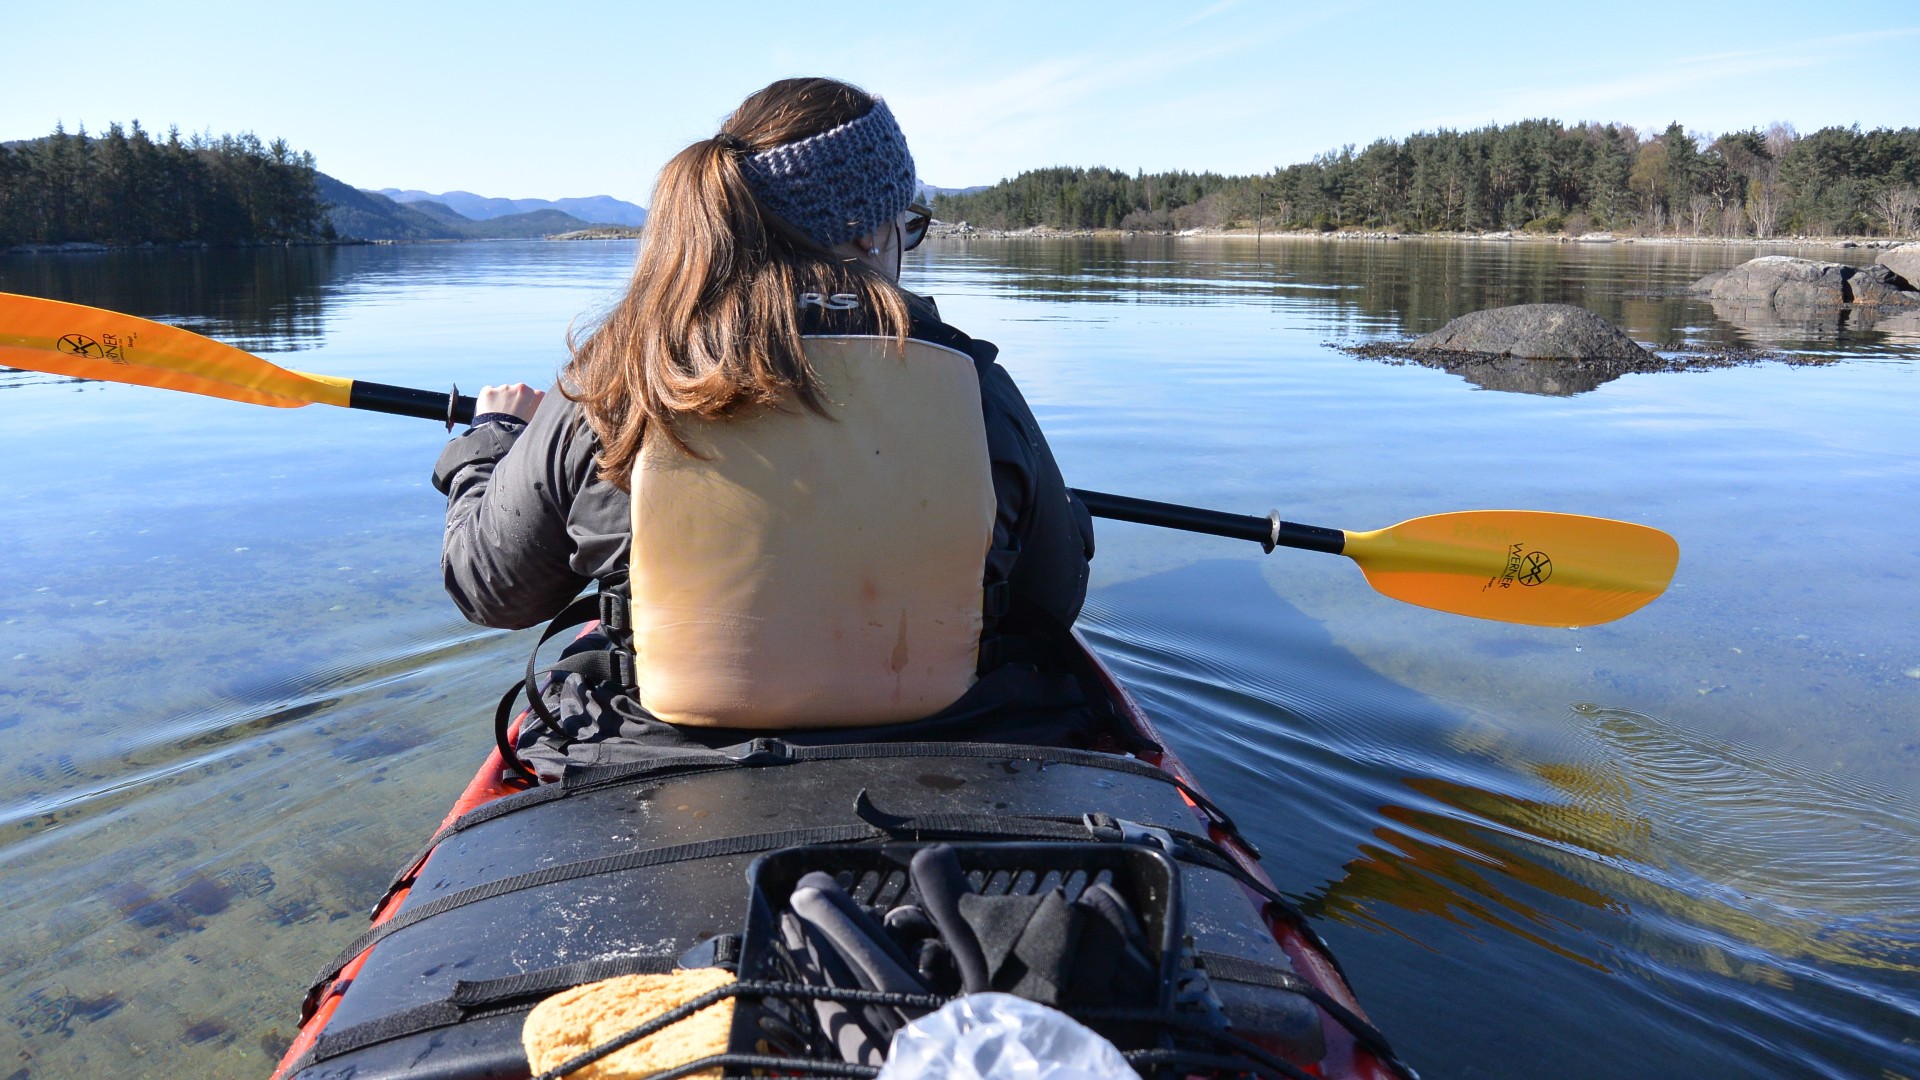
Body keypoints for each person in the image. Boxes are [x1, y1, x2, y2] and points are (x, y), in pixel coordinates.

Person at [432, 78, 1096, 777]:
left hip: (651, 757)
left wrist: (492, 443)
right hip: (948, 739)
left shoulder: (620, 379)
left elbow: (491, 588)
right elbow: (1052, 601)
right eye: (910, 227)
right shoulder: (973, 387)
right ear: (872, 231)